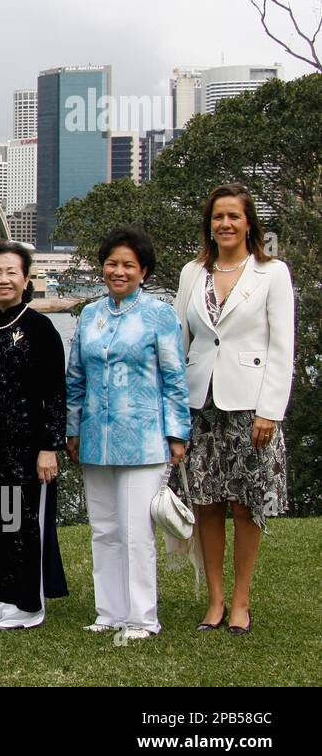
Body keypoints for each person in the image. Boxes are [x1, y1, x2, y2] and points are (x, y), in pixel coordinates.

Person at [170, 184, 294, 635]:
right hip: (199, 403)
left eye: (233, 217)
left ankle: (241, 601)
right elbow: (179, 341)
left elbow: (282, 347)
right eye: (217, 216)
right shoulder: (192, 272)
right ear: (210, 224)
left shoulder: (271, 272)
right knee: (206, 504)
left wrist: (270, 410)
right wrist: (173, 407)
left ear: (248, 223)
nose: (225, 224)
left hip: (251, 407)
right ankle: (216, 600)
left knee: (246, 506)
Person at [66, 226, 190, 641]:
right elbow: (75, 378)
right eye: (111, 263)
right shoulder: (90, 315)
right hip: (95, 438)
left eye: (128, 265)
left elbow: (175, 379)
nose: (118, 271)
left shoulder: (159, 314)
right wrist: (72, 428)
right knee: (104, 528)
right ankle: (110, 612)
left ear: (144, 271)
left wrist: (178, 436)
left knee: (137, 533)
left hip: (144, 440)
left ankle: (142, 618)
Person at [0, 241, 67, 629]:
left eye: (11, 272)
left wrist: (49, 447)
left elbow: (55, 392)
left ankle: (24, 604)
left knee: (20, 522)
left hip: (26, 446)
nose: (3, 279)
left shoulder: (40, 328)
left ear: (26, 280)